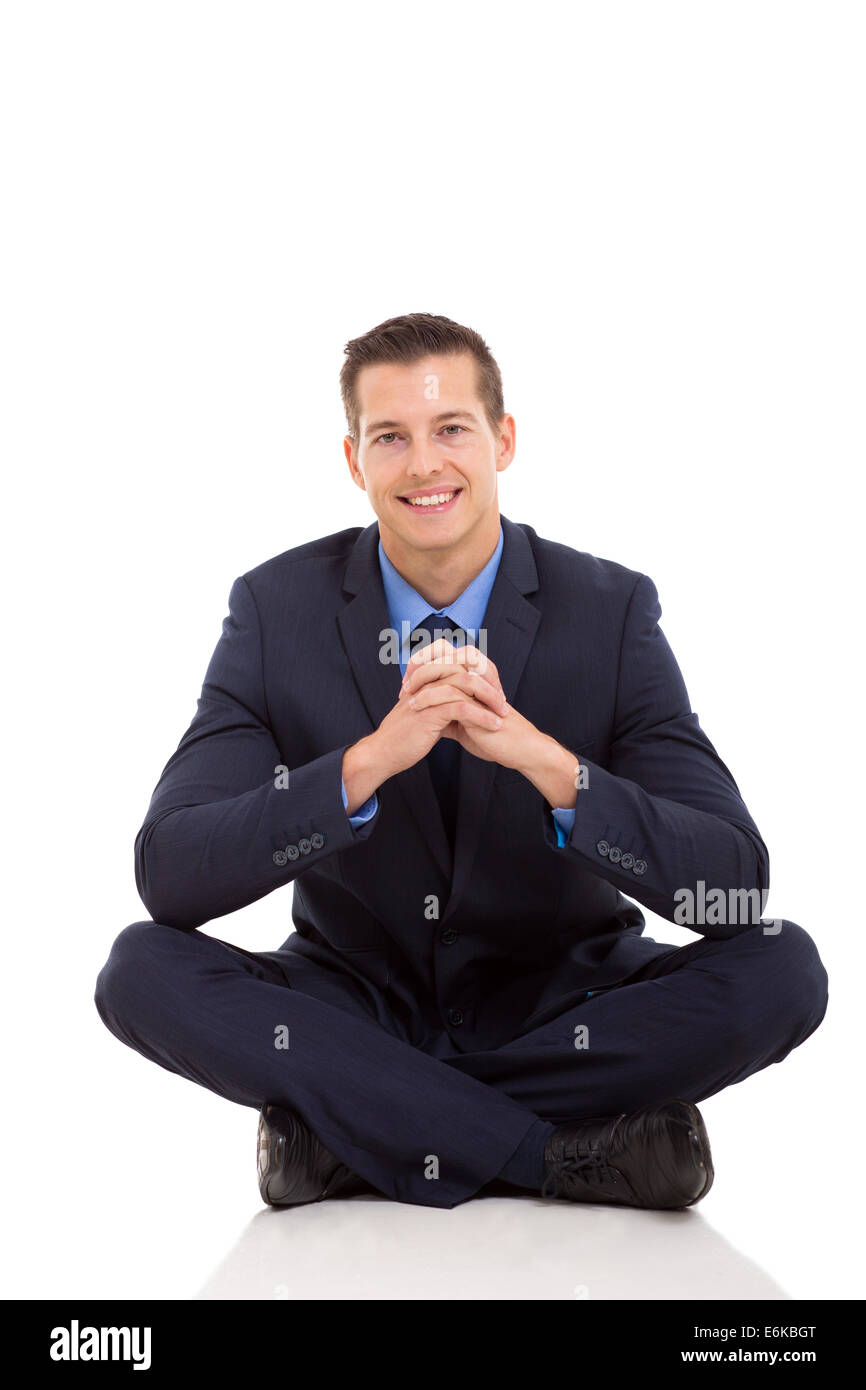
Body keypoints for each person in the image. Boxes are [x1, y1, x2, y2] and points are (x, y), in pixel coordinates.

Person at [94, 312, 828, 1212]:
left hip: (568, 1010)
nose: (424, 464)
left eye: (451, 430)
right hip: (355, 1005)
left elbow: (735, 888)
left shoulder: (611, 611)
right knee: (138, 970)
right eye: (390, 437)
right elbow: (170, 875)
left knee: (782, 965)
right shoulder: (273, 610)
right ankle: (560, 1157)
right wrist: (361, 767)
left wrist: (549, 765)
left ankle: (359, 1136)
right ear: (355, 461)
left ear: (503, 441)